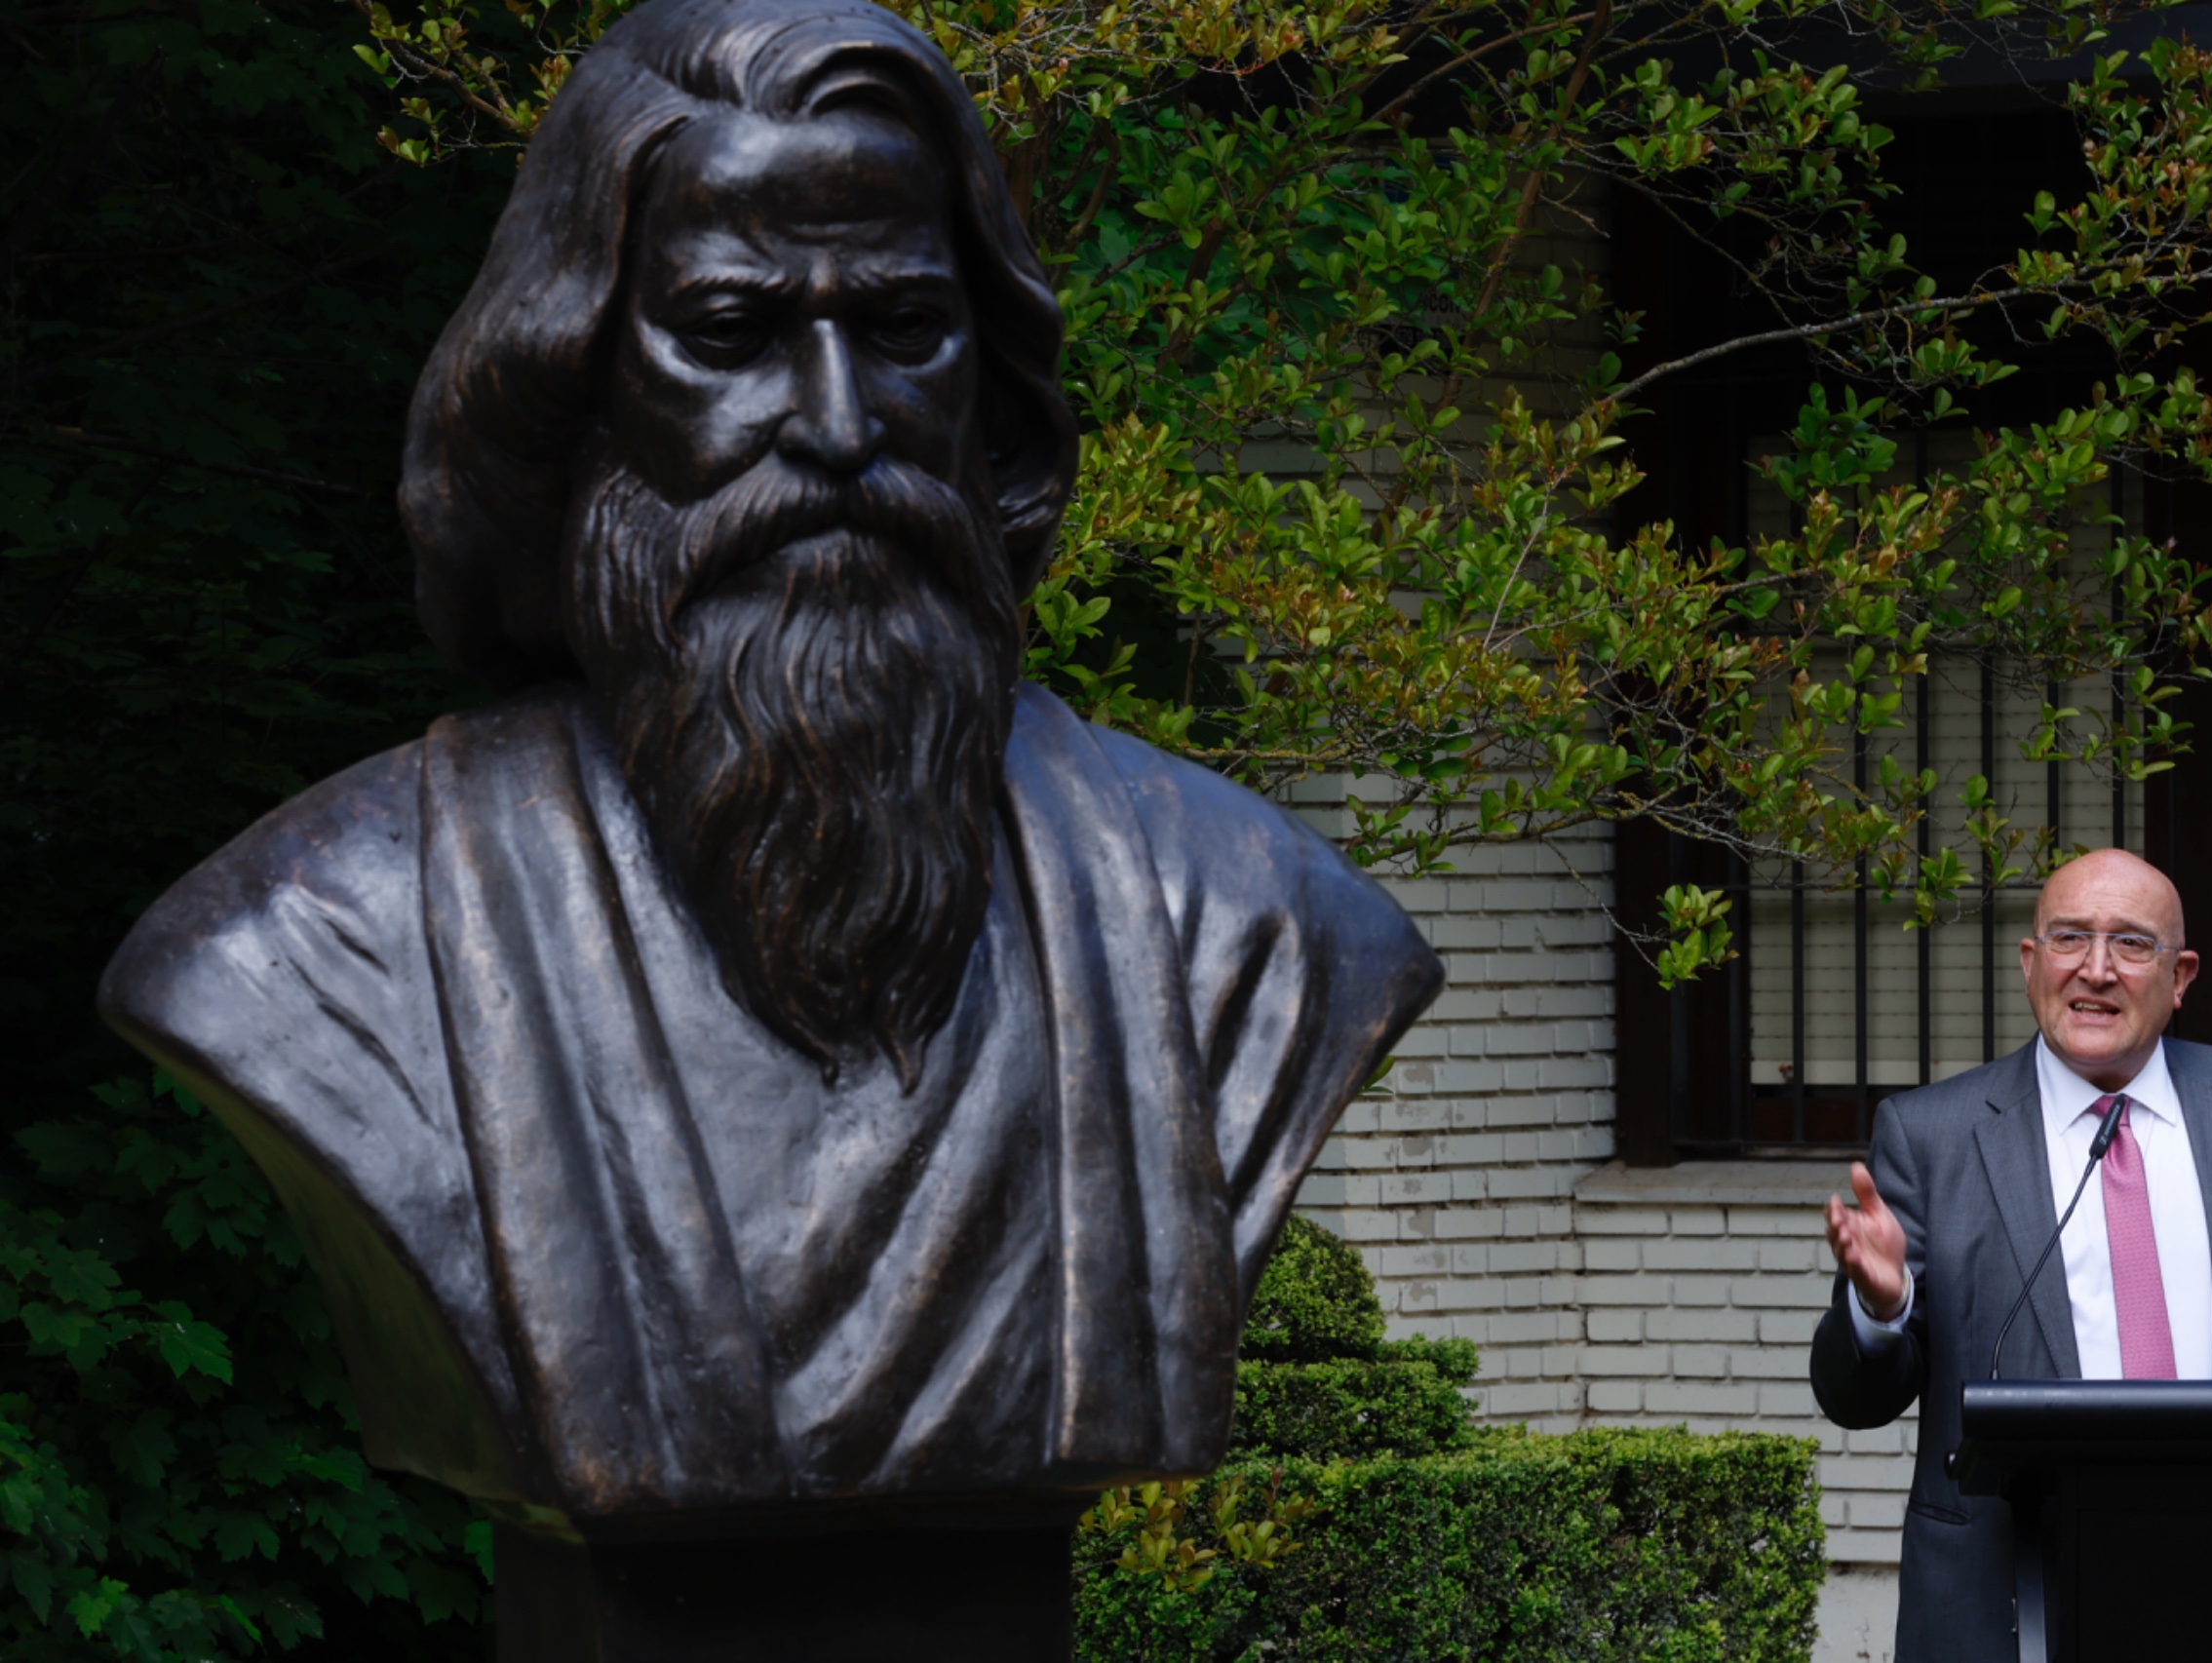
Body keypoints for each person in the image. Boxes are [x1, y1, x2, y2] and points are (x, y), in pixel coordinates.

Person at [97, 0, 1442, 1531]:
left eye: (903, 328)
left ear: (985, 375)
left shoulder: (1252, 925)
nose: (838, 425)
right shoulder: (310, 951)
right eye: (729, 333)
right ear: (574, 371)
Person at [1810, 847, 2212, 1663]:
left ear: (2180, 975)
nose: (2095, 970)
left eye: (2130, 943)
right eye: (2069, 938)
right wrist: (1883, 1311)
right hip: (2010, 1599)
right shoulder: (1931, 1137)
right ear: (2029, 962)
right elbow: (1857, 1397)